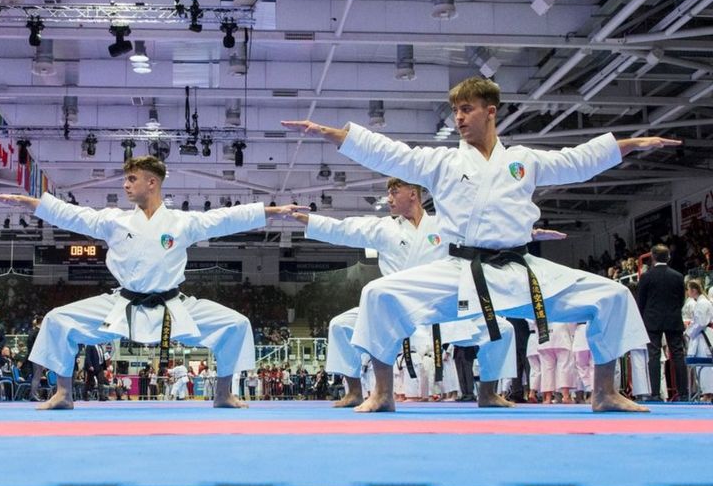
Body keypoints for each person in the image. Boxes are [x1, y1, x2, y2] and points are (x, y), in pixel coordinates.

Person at [283, 76, 679, 412]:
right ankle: (383, 393)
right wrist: (337, 135)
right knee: (378, 293)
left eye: (466, 109)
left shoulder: (523, 160)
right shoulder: (441, 163)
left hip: (520, 269)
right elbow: (390, 153)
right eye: (455, 111)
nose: (458, 117)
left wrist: (628, 144)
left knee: (612, 296)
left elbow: (577, 161)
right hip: (461, 271)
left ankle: (604, 392)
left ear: (490, 111)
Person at [0, 155, 305, 410]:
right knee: (58, 320)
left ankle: (223, 394)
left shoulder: (182, 222)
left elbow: (227, 219)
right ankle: (63, 394)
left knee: (236, 324)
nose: (125, 185)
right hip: (122, 304)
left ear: (151, 183)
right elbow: (70, 214)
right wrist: (30, 204)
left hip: (173, 306)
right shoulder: (114, 220)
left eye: (132, 179)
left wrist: (273, 211)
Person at [293, 177, 562, 408]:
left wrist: (528, 234)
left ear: (413, 194)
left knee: (502, 330)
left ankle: (488, 393)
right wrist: (305, 219)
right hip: (395, 308)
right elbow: (342, 229)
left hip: (440, 305)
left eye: (394, 192)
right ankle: (354, 392)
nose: (388, 199)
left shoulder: (444, 226)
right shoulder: (383, 228)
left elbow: (483, 235)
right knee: (340, 325)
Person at [637, 244, 688, 401]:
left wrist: (645, 317)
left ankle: (655, 394)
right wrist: (673, 311)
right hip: (673, 318)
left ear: (652, 257)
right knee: (678, 355)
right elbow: (681, 300)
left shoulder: (646, 277)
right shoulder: (678, 276)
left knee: (654, 355)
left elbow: (641, 301)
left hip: (652, 320)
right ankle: (683, 393)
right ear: (668, 257)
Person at [685, 280, 713, 401]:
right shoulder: (701, 302)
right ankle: (707, 393)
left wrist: (688, 332)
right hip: (701, 336)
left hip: (703, 337)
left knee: (705, 367)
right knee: (702, 367)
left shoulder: (702, 303)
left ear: (694, 290)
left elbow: (701, 323)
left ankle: (708, 394)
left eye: (688, 289)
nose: (687, 292)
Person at [26, 317, 44, 401]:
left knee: (36, 376)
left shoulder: (33, 331)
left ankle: (34, 394)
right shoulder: (37, 332)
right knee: (36, 376)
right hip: (37, 356)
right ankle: (33, 395)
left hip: (34, 356)